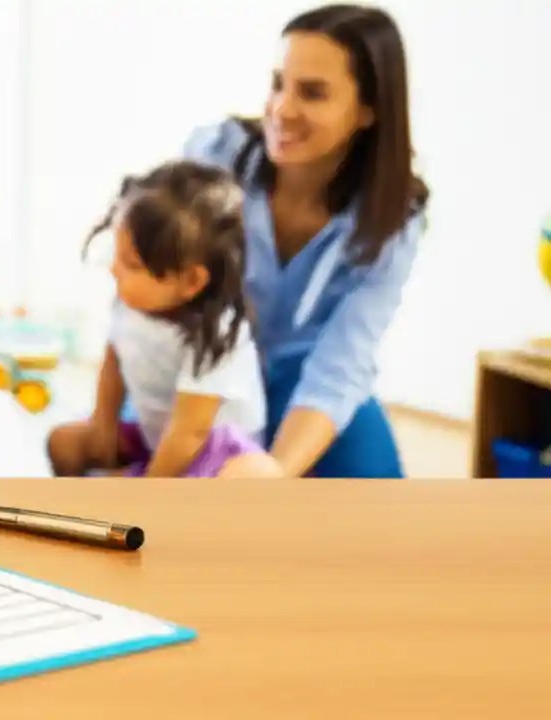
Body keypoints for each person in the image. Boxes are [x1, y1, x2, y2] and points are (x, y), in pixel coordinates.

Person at [185, 3, 429, 479]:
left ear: (369, 109)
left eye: (312, 93)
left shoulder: (394, 216)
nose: (282, 108)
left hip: (304, 377)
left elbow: (343, 360)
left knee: (381, 500)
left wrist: (274, 474)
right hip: (199, 369)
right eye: (279, 84)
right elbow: (147, 291)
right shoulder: (215, 155)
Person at [46, 161, 281, 478]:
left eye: (131, 264)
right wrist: (104, 425)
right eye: (117, 256)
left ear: (191, 281)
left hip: (214, 455)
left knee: (259, 474)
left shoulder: (216, 334)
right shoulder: (130, 300)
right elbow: (115, 357)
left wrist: (149, 489)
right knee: (63, 443)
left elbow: (191, 432)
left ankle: (148, 492)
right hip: (156, 441)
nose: (114, 270)